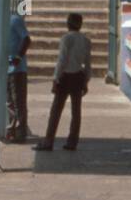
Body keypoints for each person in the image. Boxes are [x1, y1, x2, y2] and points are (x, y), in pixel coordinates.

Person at [34, 12, 91, 151]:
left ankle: (49, 141)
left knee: (55, 111)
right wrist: (86, 81)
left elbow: (62, 60)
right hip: (78, 76)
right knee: (76, 112)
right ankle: (72, 142)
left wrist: (55, 78)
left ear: (68, 23)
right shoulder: (86, 40)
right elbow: (88, 63)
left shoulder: (66, 38)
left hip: (65, 77)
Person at [4, 14, 31, 143]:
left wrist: (18, 57)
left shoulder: (14, 20)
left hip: (17, 68)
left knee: (18, 101)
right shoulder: (1, 21)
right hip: (6, 68)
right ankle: (13, 130)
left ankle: (21, 132)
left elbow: (26, 39)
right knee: (10, 102)